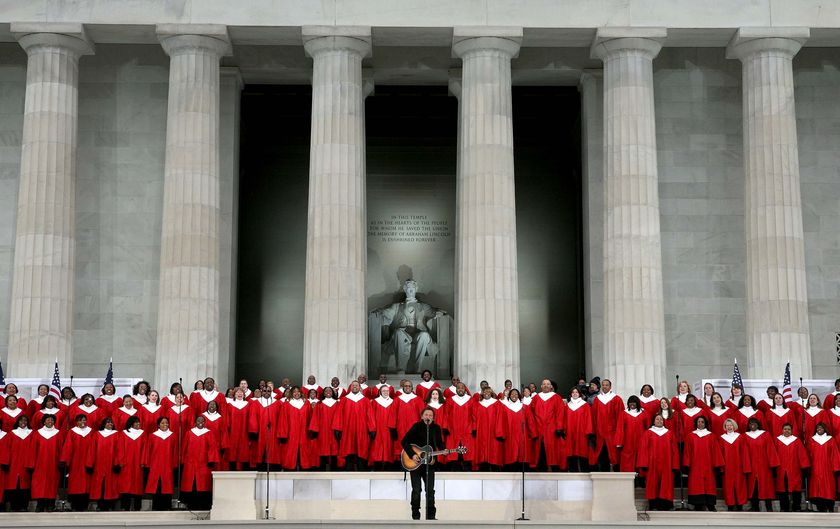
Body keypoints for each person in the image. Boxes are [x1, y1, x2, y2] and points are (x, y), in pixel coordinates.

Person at [401, 407, 444, 520]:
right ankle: (415, 515)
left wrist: (445, 450)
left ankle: (431, 516)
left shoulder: (436, 428)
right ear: (422, 416)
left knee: (430, 490)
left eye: (430, 415)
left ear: (433, 418)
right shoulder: (416, 426)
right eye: (426, 415)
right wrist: (412, 455)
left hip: (430, 464)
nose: (428, 417)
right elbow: (404, 441)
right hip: (415, 464)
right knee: (416, 490)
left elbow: (439, 443)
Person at [637, 413, 679, 511]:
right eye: (657, 419)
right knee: (653, 484)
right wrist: (644, 464)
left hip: (667, 464)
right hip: (652, 464)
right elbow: (643, 449)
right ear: (653, 421)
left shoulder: (669, 433)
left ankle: (666, 505)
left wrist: (675, 465)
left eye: (661, 419)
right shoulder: (648, 433)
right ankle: (653, 505)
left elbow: (674, 451)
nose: (659, 421)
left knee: (666, 484)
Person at [332, 380, 375, 470]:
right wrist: (337, 428)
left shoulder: (365, 400)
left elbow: (370, 415)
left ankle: (362, 469)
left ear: (360, 387)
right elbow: (339, 415)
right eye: (353, 385)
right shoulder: (344, 400)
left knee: (361, 449)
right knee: (348, 448)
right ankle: (348, 469)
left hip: (362, 430)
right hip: (348, 430)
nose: (355, 386)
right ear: (350, 387)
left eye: (356, 385)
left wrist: (372, 429)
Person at [683, 416, 723, 511]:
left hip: (708, 465)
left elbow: (716, 451)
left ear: (705, 424)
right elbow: (687, 452)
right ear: (696, 423)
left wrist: (717, 465)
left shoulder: (711, 436)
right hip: (695, 465)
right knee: (696, 485)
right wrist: (686, 465)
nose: (700, 423)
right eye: (698, 422)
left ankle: (710, 504)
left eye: (702, 422)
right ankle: (697, 504)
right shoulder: (690, 436)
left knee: (709, 485)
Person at [181, 416, 220, 510]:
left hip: (204, 464)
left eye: (202, 421)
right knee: (192, 484)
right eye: (198, 420)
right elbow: (184, 448)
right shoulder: (189, 433)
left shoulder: (209, 433)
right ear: (195, 422)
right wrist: (182, 461)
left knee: (203, 485)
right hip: (190, 463)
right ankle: (191, 505)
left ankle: (204, 506)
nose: (200, 422)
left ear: (205, 422)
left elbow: (212, 447)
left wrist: (211, 460)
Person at [277, 386, 317, 470]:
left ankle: (304, 469)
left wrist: (312, 431)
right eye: (294, 392)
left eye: (298, 391)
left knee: (303, 453)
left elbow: (311, 418)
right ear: (291, 393)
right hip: (291, 434)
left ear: (301, 393)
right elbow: (283, 420)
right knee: (291, 453)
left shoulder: (306, 404)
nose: (296, 393)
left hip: (304, 434)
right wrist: (283, 435)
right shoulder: (286, 405)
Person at [743, 417, 779, 512]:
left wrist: (773, 464)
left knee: (767, 487)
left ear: (758, 424)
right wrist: (746, 466)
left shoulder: (765, 434)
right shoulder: (745, 436)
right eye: (750, 423)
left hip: (764, 465)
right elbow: (744, 453)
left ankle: (769, 507)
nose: (752, 425)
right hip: (752, 465)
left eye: (754, 423)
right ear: (748, 425)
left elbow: (770, 450)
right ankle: (755, 507)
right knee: (753, 487)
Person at [61, 414, 95, 511]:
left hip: (87, 461)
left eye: (84, 420)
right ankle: (75, 505)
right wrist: (65, 461)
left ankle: (84, 504)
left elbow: (93, 448)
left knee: (86, 484)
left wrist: (91, 462)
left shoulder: (91, 432)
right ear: (77, 422)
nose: (82, 422)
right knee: (75, 484)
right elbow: (68, 447)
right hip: (75, 462)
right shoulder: (72, 432)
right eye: (80, 420)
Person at [530, 379, 566, 471]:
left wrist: (559, 427)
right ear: (541, 386)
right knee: (540, 448)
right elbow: (530, 414)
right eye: (544, 384)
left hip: (552, 428)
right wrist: (533, 429)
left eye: (548, 384)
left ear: (551, 387)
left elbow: (560, 413)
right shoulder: (536, 398)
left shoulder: (556, 397)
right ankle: (541, 467)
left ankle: (552, 467)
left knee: (552, 448)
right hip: (538, 427)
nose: (546, 385)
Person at [144, 416, 179, 510]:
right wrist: (148, 464)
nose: (165, 425)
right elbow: (148, 451)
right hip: (155, 465)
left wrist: (174, 465)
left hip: (168, 465)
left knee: (167, 486)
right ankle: (156, 507)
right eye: (163, 423)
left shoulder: (173, 436)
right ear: (158, 425)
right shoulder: (152, 436)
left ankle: (167, 507)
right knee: (157, 486)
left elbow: (175, 451)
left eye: (167, 423)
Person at [29, 414, 62, 512]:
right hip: (40, 463)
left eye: (52, 420)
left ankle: (50, 504)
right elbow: (32, 450)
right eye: (48, 420)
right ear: (44, 421)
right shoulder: (37, 433)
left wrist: (61, 462)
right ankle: (40, 505)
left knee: (52, 484)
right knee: (39, 484)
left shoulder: (58, 433)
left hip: (53, 463)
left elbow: (60, 449)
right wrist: (31, 464)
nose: (50, 422)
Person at [774, 422, 810, 512]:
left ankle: (796, 507)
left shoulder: (796, 440)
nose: (787, 431)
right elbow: (773, 455)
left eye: (789, 429)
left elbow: (802, 455)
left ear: (791, 431)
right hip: (781, 469)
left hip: (794, 469)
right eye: (785, 429)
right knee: (783, 489)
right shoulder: (777, 440)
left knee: (796, 489)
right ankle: (784, 507)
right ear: (782, 430)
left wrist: (804, 467)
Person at [86, 417, 120, 511]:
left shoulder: (117, 434)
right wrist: (90, 464)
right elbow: (92, 450)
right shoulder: (97, 434)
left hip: (111, 464)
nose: (110, 424)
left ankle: (110, 505)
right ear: (104, 424)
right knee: (100, 484)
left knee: (111, 486)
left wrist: (117, 463)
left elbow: (119, 450)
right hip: (99, 464)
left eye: (111, 423)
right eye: (108, 422)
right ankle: (100, 505)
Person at [806, 422, 840, 512]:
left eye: (821, 427)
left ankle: (830, 507)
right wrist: (808, 467)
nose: (819, 429)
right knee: (817, 489)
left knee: (828, 488)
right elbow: (808, 455)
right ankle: (820, 508)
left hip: (827, 468)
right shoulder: (812, 439)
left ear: (825, 428)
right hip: (815, 468)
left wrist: (836, 468)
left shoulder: (830, 439)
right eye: (817, 428)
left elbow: (834, 454)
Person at [590, 379, 622, 471]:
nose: (604, 387)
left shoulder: (616, 399)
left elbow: (620, 418)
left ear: (610, 387)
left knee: (614, 455)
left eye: (606, 385)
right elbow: (593, 417)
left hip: (613, 433)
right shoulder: (597, 399)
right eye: (603, 385)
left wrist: (618, 433)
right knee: (602, 455)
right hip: (599, 433)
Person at [718, 418, 750, 511]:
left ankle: (740, 506)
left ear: (734, 426)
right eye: (727, 425)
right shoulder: (722, 438)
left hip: (739, 466)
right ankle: (730, 506)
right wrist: (721, 468)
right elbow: (720, 454)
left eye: (731, 425)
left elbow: (744, 453)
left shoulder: (740, 437)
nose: (729, 427)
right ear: (725, 426)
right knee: (728, 486)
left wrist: (745, 467)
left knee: (740, 485)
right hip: (727, 466)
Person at [500, 389, 535, 470]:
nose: (514, 395)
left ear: (519, 396)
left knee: (522, 454)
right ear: (509, 396)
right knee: (510, 454)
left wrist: (533, 433)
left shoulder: (524, 407)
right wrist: (501, 434)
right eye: (512, 394)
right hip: (509, 434)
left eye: (516, 394)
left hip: (522, 434)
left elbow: (530, 421)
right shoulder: (505, 408)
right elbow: (501, 422)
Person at [4, 415, 33, 511]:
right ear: (17, 422)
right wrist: (6, 462)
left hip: (26, 464)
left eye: (25, 420)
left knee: (25, 485)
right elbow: (7, 449)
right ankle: (14, 506)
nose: (23, 422)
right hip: (14, 463)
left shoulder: (32, 433)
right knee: (14, 485)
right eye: (21, 420)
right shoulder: (12, 434)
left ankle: (24, 506)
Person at [308, 387, 341, 470]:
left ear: (333, 393)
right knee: (322, 449)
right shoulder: (319, 404)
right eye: (326, 391)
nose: (328, 392)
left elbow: (341, 417)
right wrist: (314, 430)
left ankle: (334, 469)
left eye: (330, 390)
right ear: (323, 393)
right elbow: (315, 417)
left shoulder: (337, 404)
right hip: (323, 431)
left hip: (334, 430)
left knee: (334, 450)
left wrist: (339, 429)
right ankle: (322, 470)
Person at [472, 387, 505, 470]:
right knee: (482, 450)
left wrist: (499, 432)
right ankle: (483, 465)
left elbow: (500, 418)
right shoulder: (478, 404)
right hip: (481, 431)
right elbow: (474, 418)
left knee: (494, 449)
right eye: (485, 391)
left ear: (491, 393)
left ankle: (494, 467)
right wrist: (474, 428)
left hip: (493, 432)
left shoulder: (497, 404)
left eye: (488, 391)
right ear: (482, 393)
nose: (486, 393)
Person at [117, 415, 145, 511]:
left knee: (137, 485)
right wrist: (120, 461)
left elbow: (144, 449)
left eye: (139, 422)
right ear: (131, 423)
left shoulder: (142, 433)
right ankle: (125, 506)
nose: (138, 424)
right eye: (136, 422)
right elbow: (120, 449)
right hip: (126, 464)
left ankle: (137, 507)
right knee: (126, 485)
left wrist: (143, 461)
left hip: (138, 464)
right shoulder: (124, 434)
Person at [444, 382, 474, 471]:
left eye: (462, 388)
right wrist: (445, 427)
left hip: (467, 429)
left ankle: (467, 468)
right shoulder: (450, 400)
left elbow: (474, 415)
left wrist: (474, 428)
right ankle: (454, 468)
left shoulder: (471, 400)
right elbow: (446, 414)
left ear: (465, 389)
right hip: (453, 430)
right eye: (458, 388)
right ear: (456, 390)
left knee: (467, 450)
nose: (460, 389)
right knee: (453, 449)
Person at [615, 395, 647, 474]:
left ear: (637, 403)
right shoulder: (623, 413)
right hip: (628, 441)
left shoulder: (644, 413)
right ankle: (629, 478)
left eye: (634, 403)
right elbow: (620, 428)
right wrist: (619, 442)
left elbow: (648, 427)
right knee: (628, 459)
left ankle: (641, 478)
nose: (632, 404)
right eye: (630, 402)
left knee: (641, 458)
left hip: (641, 440)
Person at [564, 386, 592, 472]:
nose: (575, 394)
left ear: (579, 394)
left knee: (582, 452)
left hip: (582, 433)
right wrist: (564, 431)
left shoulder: (585, 405)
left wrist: (589, 432)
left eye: (576, 392)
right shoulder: (567, 406)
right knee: (571, 453)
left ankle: (585, 472)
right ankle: (573, 472)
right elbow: (564, 419)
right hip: (570, 433)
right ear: (570, 394)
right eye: (573, 392)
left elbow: (588, 419)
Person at [368, 385, 397, 469]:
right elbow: (371, 416)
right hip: (378, 428)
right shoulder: (375, 402)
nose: (385, 392)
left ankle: (388, 465)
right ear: (380, 392)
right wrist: (372, 429)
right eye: (383, 390)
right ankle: (378, 464)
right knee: (377, 446)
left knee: (389, 446)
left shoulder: (393, 402)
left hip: (389, 428)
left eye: (387, 391)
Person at [225, 388, 250, 470]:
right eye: (237, 392)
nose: (239, 394)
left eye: (241, 392)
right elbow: (227, 420)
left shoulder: (248, 404)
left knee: (244, 450)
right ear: (234, 394)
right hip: (233, 432)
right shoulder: (230, 405)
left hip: (244, 432)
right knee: (233, 451)